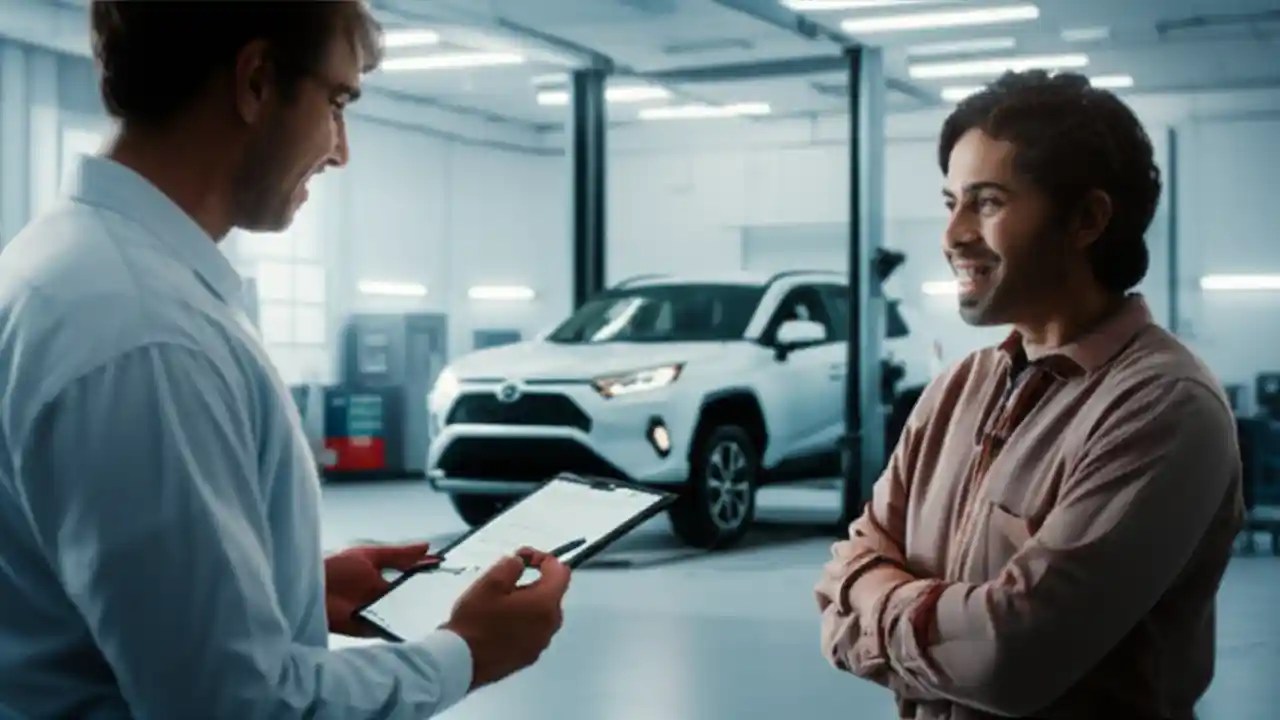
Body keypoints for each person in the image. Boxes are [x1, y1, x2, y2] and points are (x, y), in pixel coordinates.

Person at [0, 2, 570, 717]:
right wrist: (466, 652)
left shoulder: (63, 266)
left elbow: (93, 589)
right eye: (337, 102)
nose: (340, 150)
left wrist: (289, 586)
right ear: (257, 82)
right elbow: (234, 705)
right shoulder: (148, 335)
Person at [815, 71, 1244, 720]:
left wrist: (869, 607)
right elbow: (838, 583)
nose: (953, 234)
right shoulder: (957, 389)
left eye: (986, 203)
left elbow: (1011, 659)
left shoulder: (1164, 407)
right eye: (950, 202)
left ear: (1087, 219)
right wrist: (919, 622)